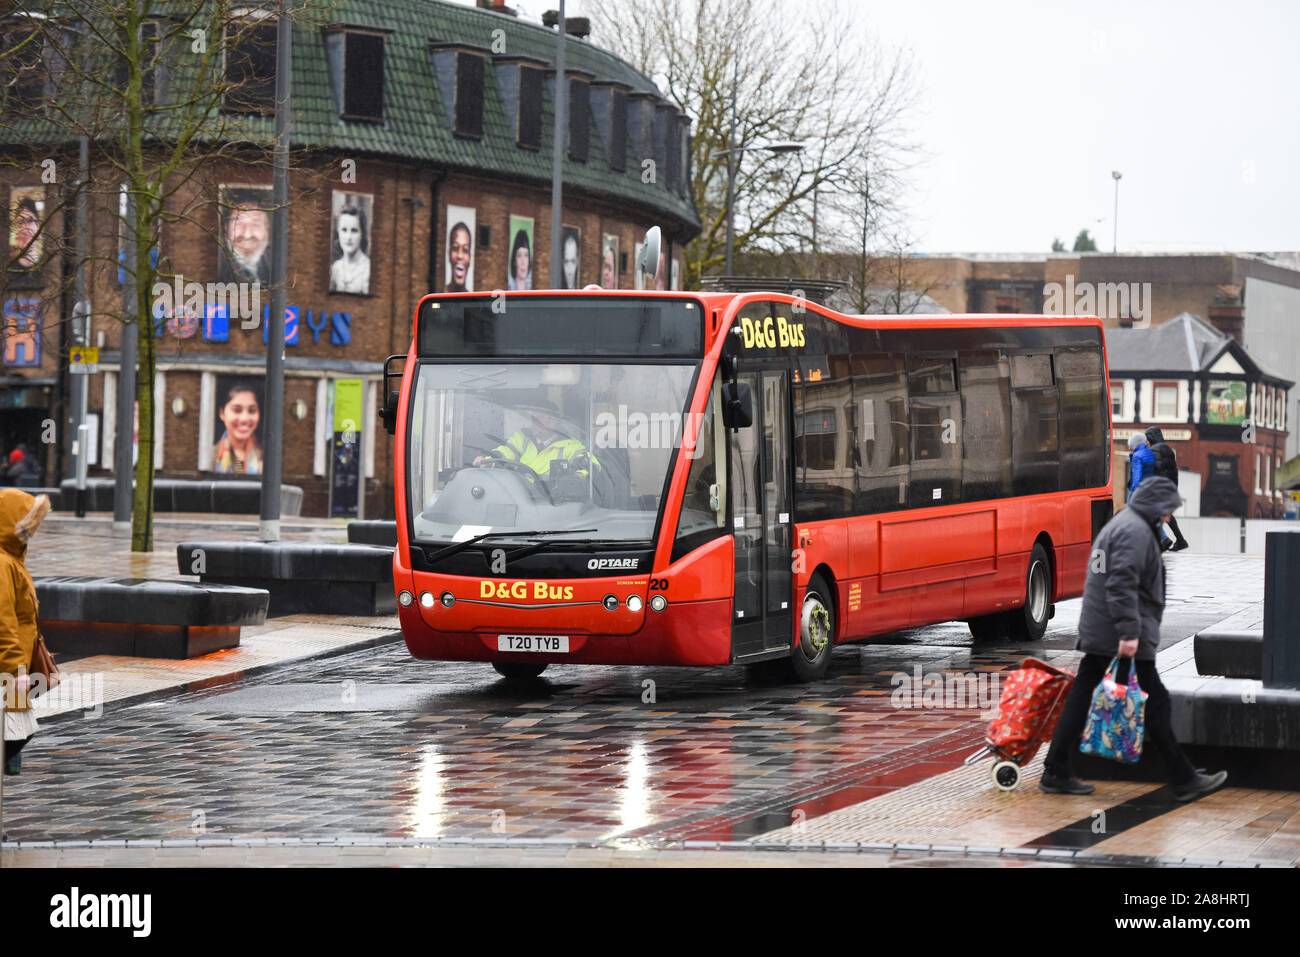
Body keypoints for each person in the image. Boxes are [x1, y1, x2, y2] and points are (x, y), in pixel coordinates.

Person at [1039, 477, 1227, 801]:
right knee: (1156, 702)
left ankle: (1055, 768)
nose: (1169, 517)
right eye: (1168, 510)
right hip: (1119, 635)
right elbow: (1121, 584)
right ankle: (1183, 780)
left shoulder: (1129, 523)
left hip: (1106, 630)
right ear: (1156, 506)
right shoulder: (1134, 531)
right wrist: (1128, 633)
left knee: (1083, 696)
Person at [2, 490, 51, 776]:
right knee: (17, 733)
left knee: (17, 732)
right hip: (8, 670)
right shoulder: (3, 563)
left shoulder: (13, 559)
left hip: (15, 666)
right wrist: (14, 669)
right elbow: (2, 620)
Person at [474, 400, 600, 480]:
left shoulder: (570, 445)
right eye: (532, 418)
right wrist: (489, 460)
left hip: (551, 503)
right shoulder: (522, 439)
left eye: (538, 418)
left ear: (553, 421)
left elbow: (591, 465)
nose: (533, 423)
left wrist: (578, 475)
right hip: (519, 498)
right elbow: (506, 452)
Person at [1145, 427, 1189, 551]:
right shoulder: (1168, 449)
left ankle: (1163, 541)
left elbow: (1156, 469)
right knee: (1165, 514)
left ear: (1151, 438)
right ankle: (1180, 540)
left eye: (1147, 439)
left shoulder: (1154, 451)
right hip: (1170, 485)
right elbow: (1172, 470)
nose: (1146, 442)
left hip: (1160, 487)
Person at [212, 385, 263, 475]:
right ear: (222, 413)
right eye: (236, 410)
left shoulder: (267, 456)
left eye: (252, 411)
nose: (244, 419)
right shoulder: (210, 458)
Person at [223, 202, 271, 285]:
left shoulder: (277, 266)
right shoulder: (215, 270)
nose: (247, 234)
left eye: (255, 224)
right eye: (238, 223)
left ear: (266, 227)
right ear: (226, 228)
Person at [330, 204, 371, 294]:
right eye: (344, 230)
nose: (348, 237)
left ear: (362, 234)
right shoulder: (336, 268)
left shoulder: (368, 270)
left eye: (354, 231)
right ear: (338, 232)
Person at [10, 196, 41, 269]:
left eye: (30, 221)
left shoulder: (49, 266)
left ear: (38, 227)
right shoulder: (7, 268)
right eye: (20, 222)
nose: (25, 228)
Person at [447, 222, 472, 292]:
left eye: (465, 250)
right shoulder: (438, 297)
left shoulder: (473, 301)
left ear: (470, 258)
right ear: (449, 254)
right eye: (455, 248)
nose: (460, 256)